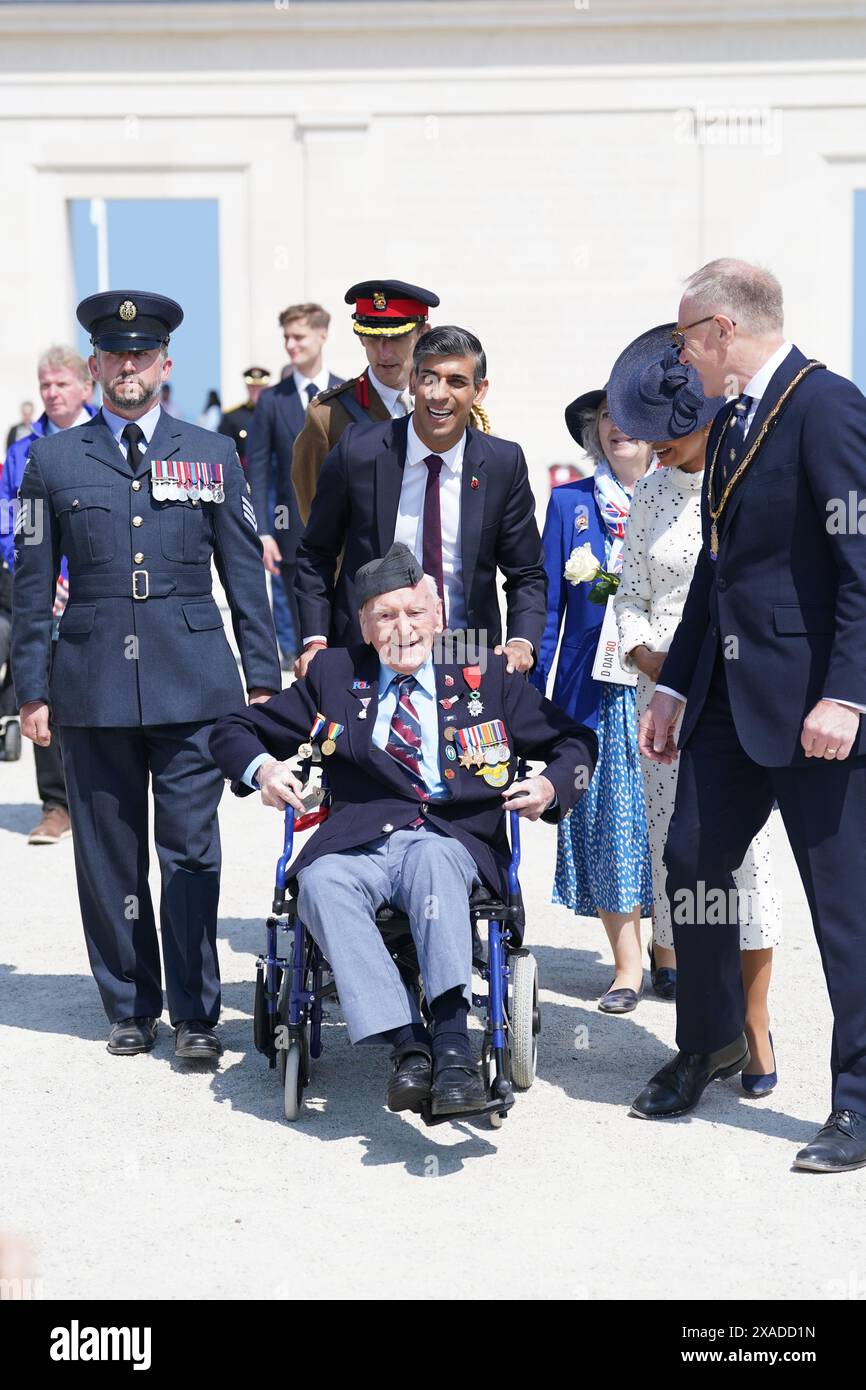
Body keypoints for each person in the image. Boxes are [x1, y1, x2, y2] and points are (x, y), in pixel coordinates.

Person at [209, 542, 596, 1116]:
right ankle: (408, 1046)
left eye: (415, 612)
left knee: (434, 862)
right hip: (355, 841)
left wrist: (551, 786)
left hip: (452, 838)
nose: (403, 628)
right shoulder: (336, 674)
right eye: (385, 615)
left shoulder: (483, 672)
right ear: (364, 626)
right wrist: (262, 768)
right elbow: (233, 729)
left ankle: (453, 1046)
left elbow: (574, 742)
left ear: (438, 616)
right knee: (320, 884)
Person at [632, 259, 866, 1175]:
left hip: (816, 711)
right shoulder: (730, 421)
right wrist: (677, 685)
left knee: (845, 911)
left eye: (686, 337)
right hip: (729, 702)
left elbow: (861, 567)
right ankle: (712, 1041)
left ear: (725, 330)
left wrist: (847, 694)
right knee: (692, 858)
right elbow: (715, 573)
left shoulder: (828, 405)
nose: (681, 356)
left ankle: (857, 1104)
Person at [11, 290, 281, 1062]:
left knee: (192, 851)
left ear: (166, 364)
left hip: (194, 681)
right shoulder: (52, 459)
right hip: (91, 683)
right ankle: (130, 1003)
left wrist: (261, 681)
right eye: (114, 355)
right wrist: (32, 689)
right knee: (107, 852)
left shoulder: (212, 452)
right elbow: (32, 585)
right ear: (94, 366)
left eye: (143, 355)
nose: (129, 367)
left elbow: (242, 572)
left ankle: (197, 1014)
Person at [610, 324, 781, 1093]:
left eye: (669, 436)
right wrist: (662, 670)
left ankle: (755, 1026)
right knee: (686, 873)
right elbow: (630, 598)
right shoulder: (651, 493)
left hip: (750, 703)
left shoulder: (752, 478)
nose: (653, 448)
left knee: (747, 877)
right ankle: (706, 1037)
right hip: (668, 713)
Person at [294, 324, 547, 680]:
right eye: (430, 378)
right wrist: (315, 643)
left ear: (479, 391)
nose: (439, 394)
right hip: (368, 651)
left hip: (467, 651)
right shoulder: (358, 451)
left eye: (457, 382)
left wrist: (521, 642)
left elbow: (527, 573)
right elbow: (315, 553)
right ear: (412, 382)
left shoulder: (504, 463)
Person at [531, 387, 654, 1011]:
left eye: (628, 417)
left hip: (666, 687)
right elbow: (550, 607)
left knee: (669, 821)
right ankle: (627, 967)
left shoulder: (684, 497)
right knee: (609, 821)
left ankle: (674, 950)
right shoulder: (570, 504)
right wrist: (532, 703)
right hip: (594, 690)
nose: (615, 428)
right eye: (605, 418)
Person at [0, 346, 96, 844]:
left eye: (61, 384)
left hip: (96, 589)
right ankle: (55, 804)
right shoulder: (23, 449)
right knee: (41, 689)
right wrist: (28, 569)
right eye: (45, 385)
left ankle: (100, 801)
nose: (51, 394)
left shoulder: (109, 436)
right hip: (39, 591)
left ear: (86, 386)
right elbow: (9, 516)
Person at [291, 279, 439, 525]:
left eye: (395, 338)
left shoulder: (446, 406)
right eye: (372, 338)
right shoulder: (328, 415)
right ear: (361, 338)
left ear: (423, 334)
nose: (384, 352)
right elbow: (315, 517)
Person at [246, 305, 344, 662]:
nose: (291, 345)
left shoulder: (346, 393)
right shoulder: (272, 400)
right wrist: (263, 531)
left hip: (345, 533)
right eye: (286, 337)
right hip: (291, 533)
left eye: (298, 336)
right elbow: (258, 468)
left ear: (322, 335)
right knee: (306, 632)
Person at [217, 366, 271, 467]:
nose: (256, 390)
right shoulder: (232, 417)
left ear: (267, 386)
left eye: (260, 387)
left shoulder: (275, 414)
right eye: (252, 387)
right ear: (247, 387)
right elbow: (224, 452)